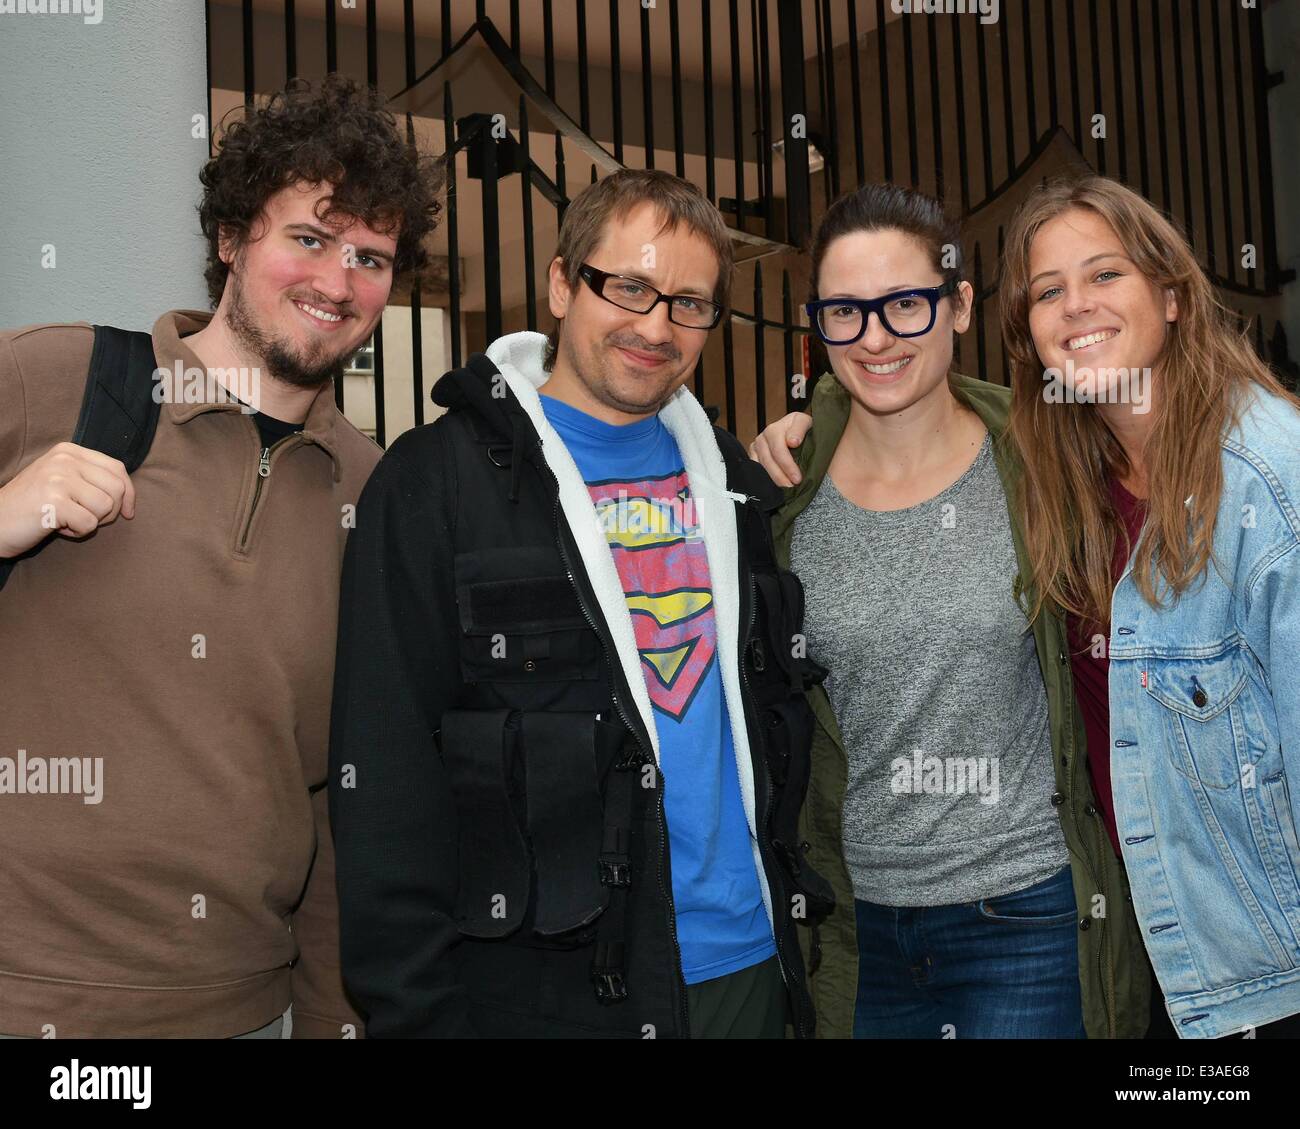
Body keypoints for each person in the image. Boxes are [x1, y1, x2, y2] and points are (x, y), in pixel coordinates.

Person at [329, 168, 831, 1038]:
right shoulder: (433, 483)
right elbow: (384, 774)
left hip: (748, 970)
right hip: (546, 997)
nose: (655, 325)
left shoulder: (735, 487)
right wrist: (413, 1012)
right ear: (562, 284)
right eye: (628, 286)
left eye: (688, 302)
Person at [0, 75, 441, 1038]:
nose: (339, 281)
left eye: (372, 257)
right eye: (311, 238)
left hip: (242, 1010)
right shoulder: (57, 378)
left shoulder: (377, 495)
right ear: (232, 238)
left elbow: (342, 801)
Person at [748, 183, 1149, 1039]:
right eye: (844, 312)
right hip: (859, 932)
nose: (876, 337)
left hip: (1026, 916)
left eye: (905, 303)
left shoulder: (1043, 457)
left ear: (961, 303)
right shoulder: (783, 496)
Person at [999, 176, 1300, 1039]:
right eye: (1047, 292)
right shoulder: (1076, 488)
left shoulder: (1267, 479)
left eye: (1104, 276)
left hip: (1271, 981)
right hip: (1166, 968)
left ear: (1170, 295)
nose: (1075, 307)